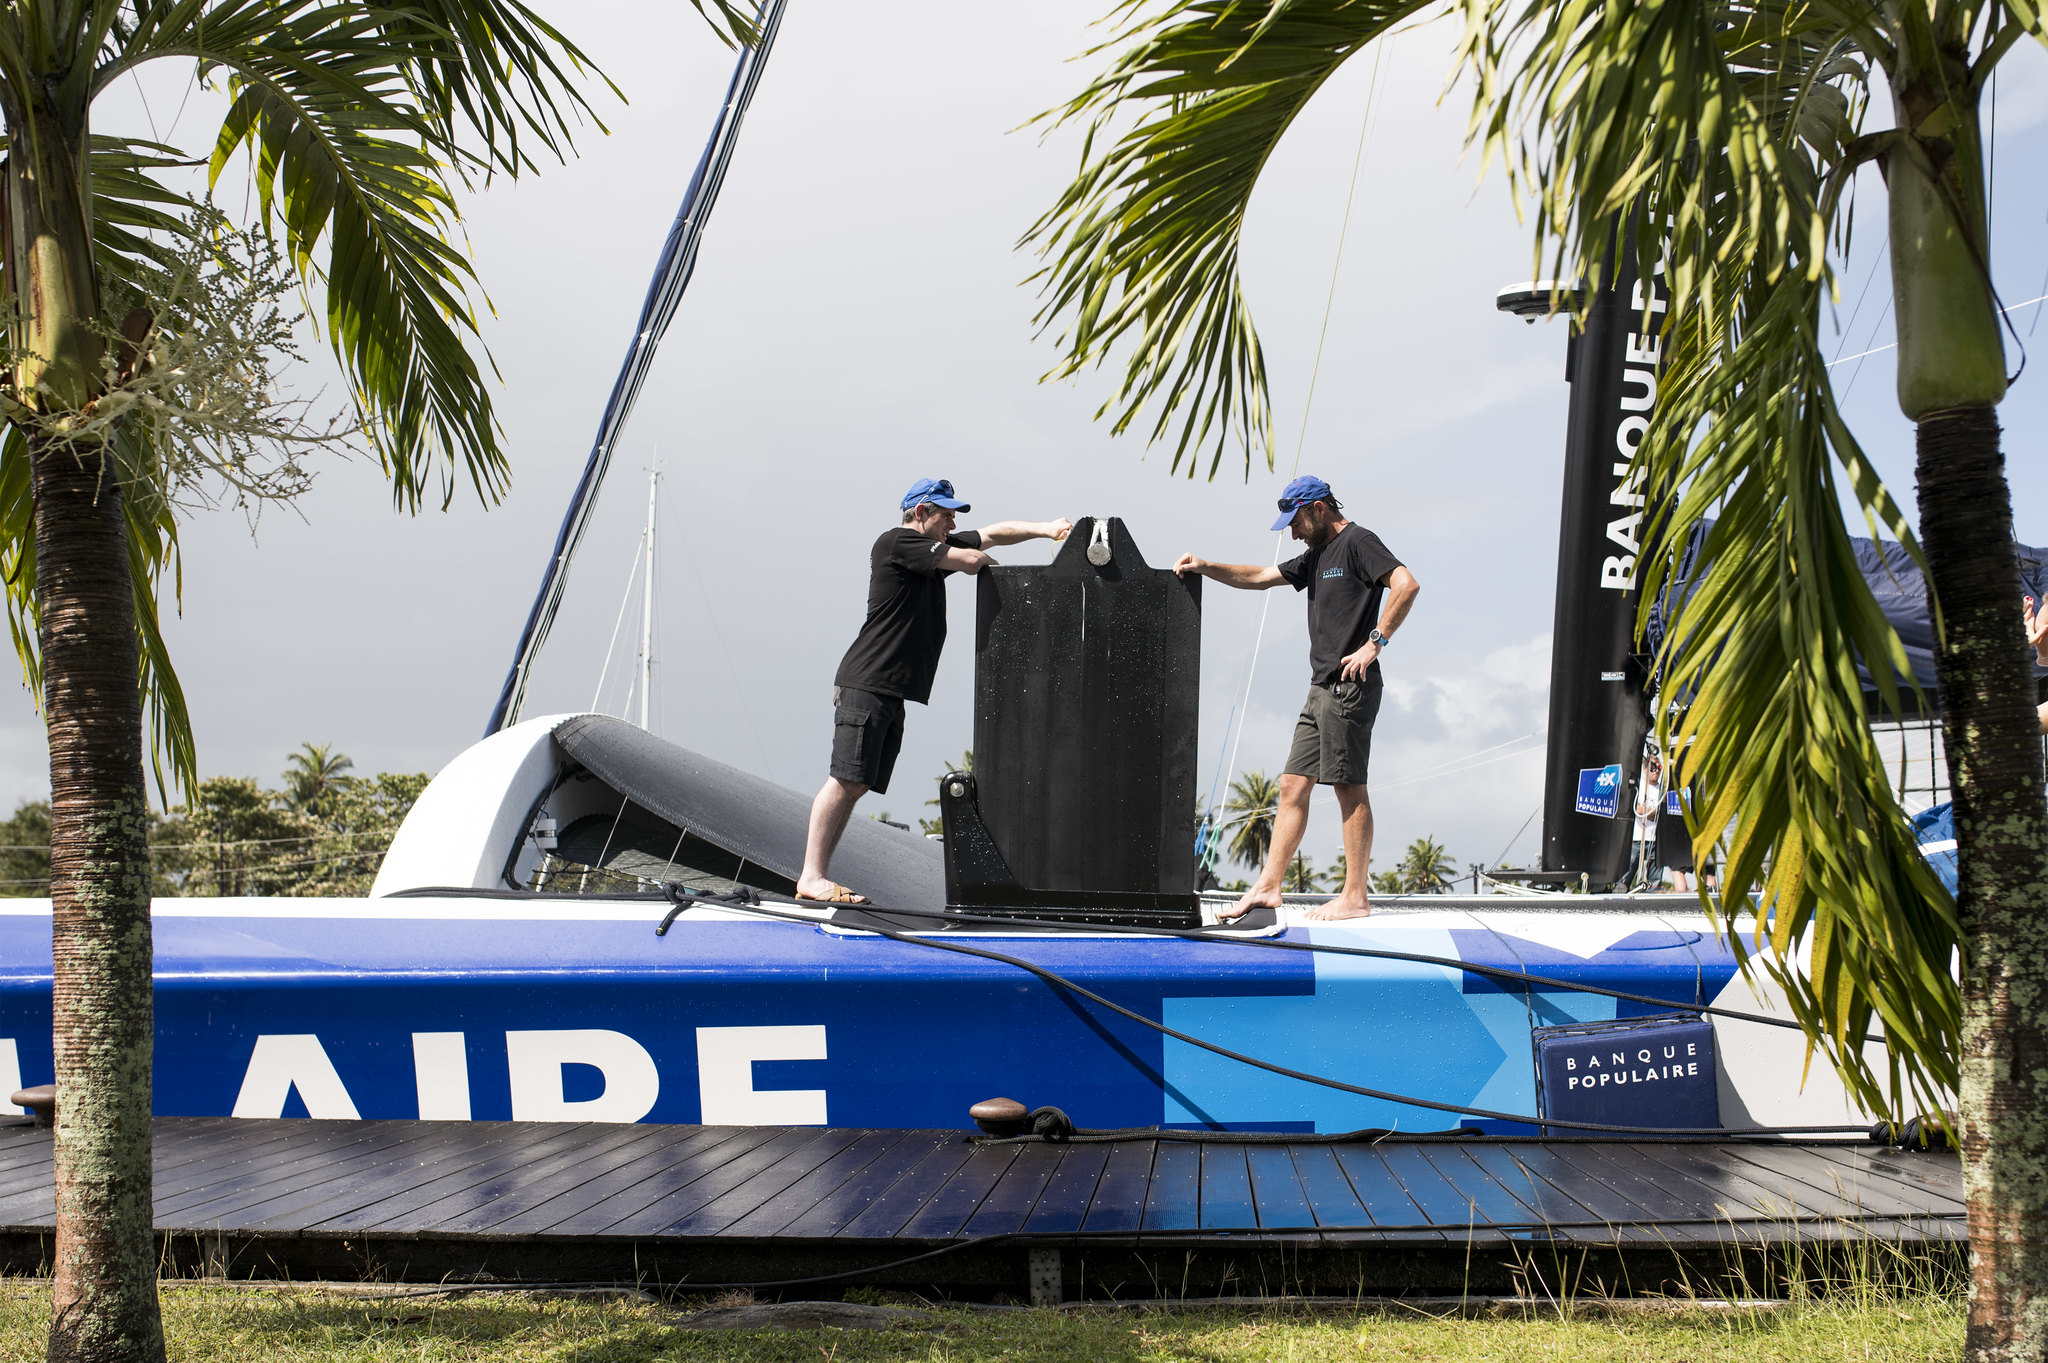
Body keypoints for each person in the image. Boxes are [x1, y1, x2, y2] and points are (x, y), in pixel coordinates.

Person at [797, 480, 1071, 903]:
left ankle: (817, 878)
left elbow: (993, 533)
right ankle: (811, 877)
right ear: (922, 512)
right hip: (867, 681)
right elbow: (973, 558)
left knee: (857, 784)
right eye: (946, 515)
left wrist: (1047, 528)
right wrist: (992, 566)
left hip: (887, 690)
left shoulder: (932, 546)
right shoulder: (898, 542)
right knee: (844, 779)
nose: (953, 523)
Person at [1175, 475, 1419, 920]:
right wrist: (1206, 566)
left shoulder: (1360, 542)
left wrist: (1374, 643)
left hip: (1351, 686)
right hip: (1320, 686)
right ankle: (1268, 887)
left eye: (1297, 521)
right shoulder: (1316, 554)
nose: (1293, 531)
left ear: (1319, 507)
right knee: (1292, 784)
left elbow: (1406, 584)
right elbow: (1262, 576)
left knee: (1348, 786)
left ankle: (1355, 896)